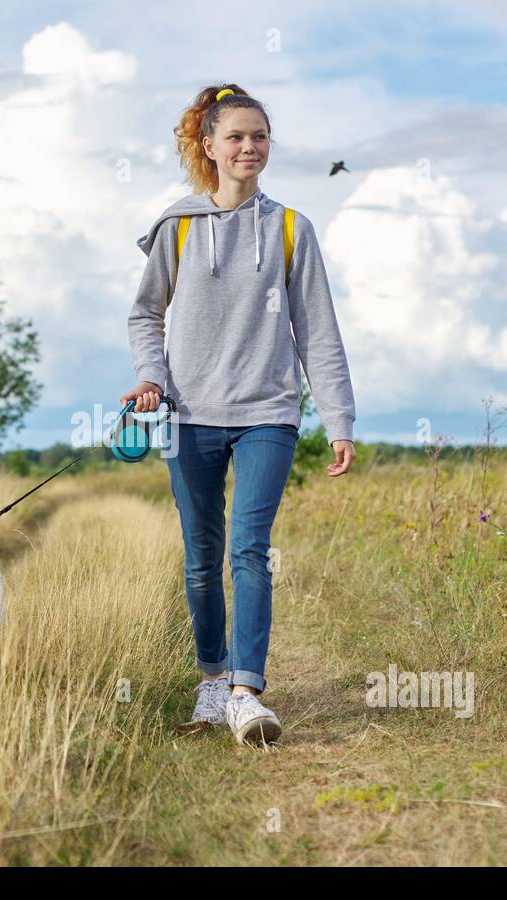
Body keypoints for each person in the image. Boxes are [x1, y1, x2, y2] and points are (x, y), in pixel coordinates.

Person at [122, 83, 357, 747]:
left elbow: (318, 331)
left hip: (268, 413)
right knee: (202, 556)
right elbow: (146, 313)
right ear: (209, 147)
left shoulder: (290, 229)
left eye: (259, 136)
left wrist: (338, 419)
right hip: (189, 416)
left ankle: (247, 693)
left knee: (250, 548)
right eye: (236, 137)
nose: (250, 146)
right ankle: (211, 680)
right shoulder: (178, 225)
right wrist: (150, 376)